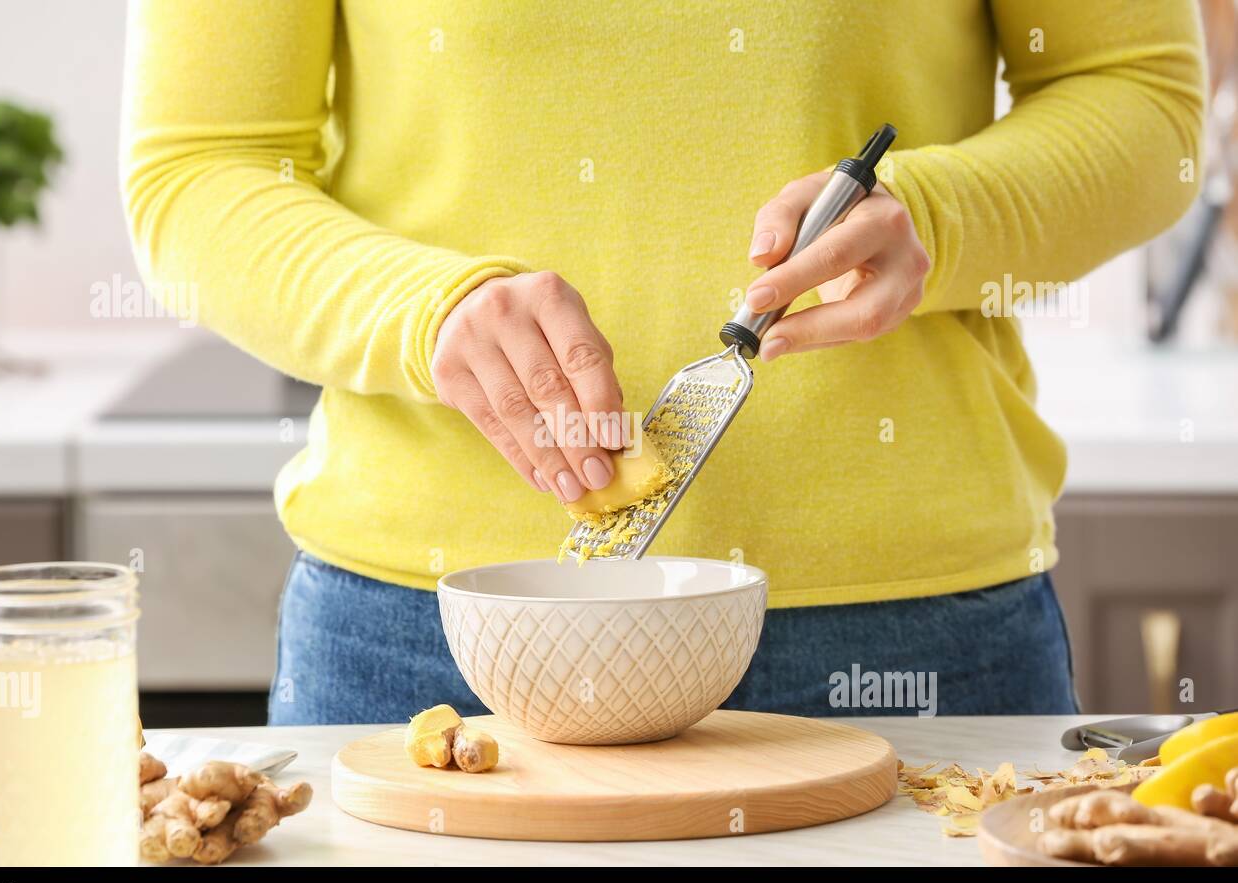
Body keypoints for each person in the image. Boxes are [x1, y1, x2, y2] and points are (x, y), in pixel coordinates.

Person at [121, 1, 1205, 723]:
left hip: (910, 633)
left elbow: (1145, 104)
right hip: (428, 641)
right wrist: (426, 308)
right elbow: (195, 169)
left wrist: (939, 211)